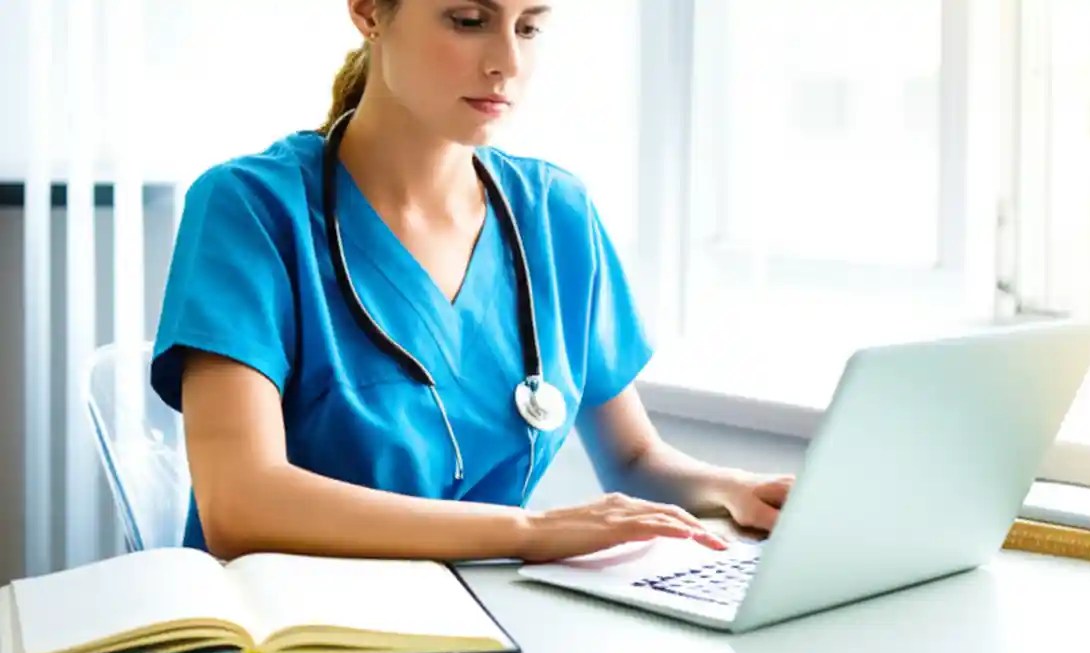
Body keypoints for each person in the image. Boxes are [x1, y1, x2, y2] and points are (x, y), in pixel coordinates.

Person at [150, 0, 792, 563]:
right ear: (369, 11)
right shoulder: (250, 209)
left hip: (489, 629)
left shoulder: (553, 212)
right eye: (469, 21)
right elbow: (241, 506)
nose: (507, 62)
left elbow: (632, 459)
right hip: (288, 644)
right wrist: (525, 531)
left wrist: (730, 489)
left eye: (530, 27)